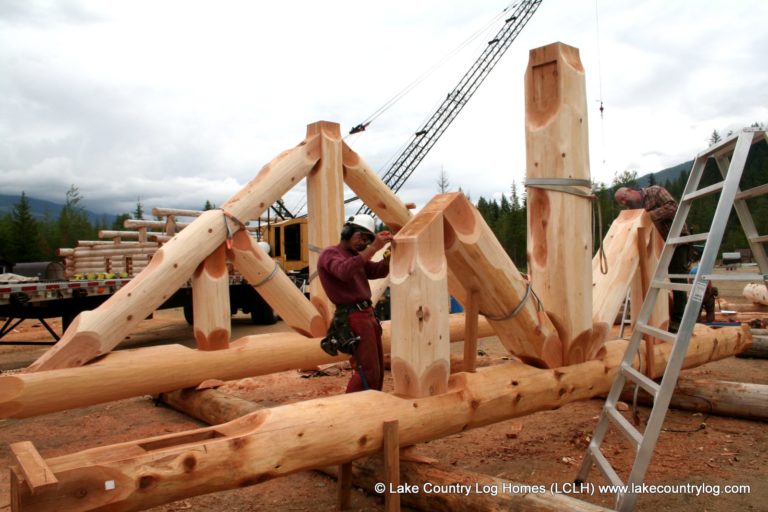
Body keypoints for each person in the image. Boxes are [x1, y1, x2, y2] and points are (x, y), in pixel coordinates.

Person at [317, 214, 393, 392]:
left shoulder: (355, 256)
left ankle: (371, 405)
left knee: (377, 367)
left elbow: (376, 272)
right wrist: (373, 248)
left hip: (366, 315)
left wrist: (388, 259)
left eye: (368, 239)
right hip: (353, 317)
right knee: (367, 370)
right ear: (347, 231)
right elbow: (344, 271)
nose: (364, 243)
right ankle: (354, 407)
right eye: (362, 236)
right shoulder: (331, 254)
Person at [614, 186, 690, 331]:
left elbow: (673, 208)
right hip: (656, 245)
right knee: (653, 282)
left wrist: (648, 216)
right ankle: (654, 318)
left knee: (677, 280)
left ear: (630, 191)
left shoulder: (655, 192)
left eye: (623, 198)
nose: (624, 203)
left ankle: (679, 320)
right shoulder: (634, 208)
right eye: (620, 202)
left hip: (676, 241)